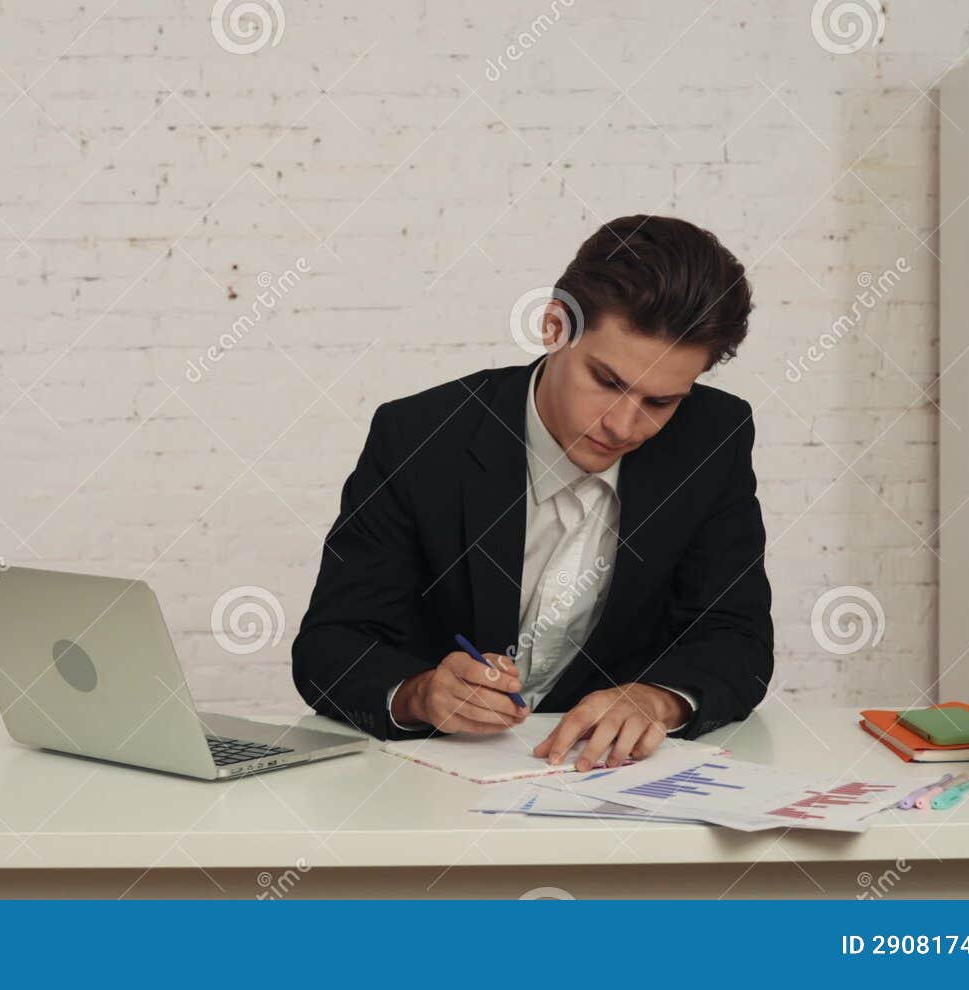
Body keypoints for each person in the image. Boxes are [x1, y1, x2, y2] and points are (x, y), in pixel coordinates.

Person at [291, 215, 773, 771]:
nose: (623, 425)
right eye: (608, 382)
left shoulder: (714, 439)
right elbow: (331, 645)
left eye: (660, 403)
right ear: (554, 327)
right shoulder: (421, 437)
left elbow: (737, 637)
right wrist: (420, 693)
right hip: (431, 785)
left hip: (614, 784)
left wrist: (658, 701)